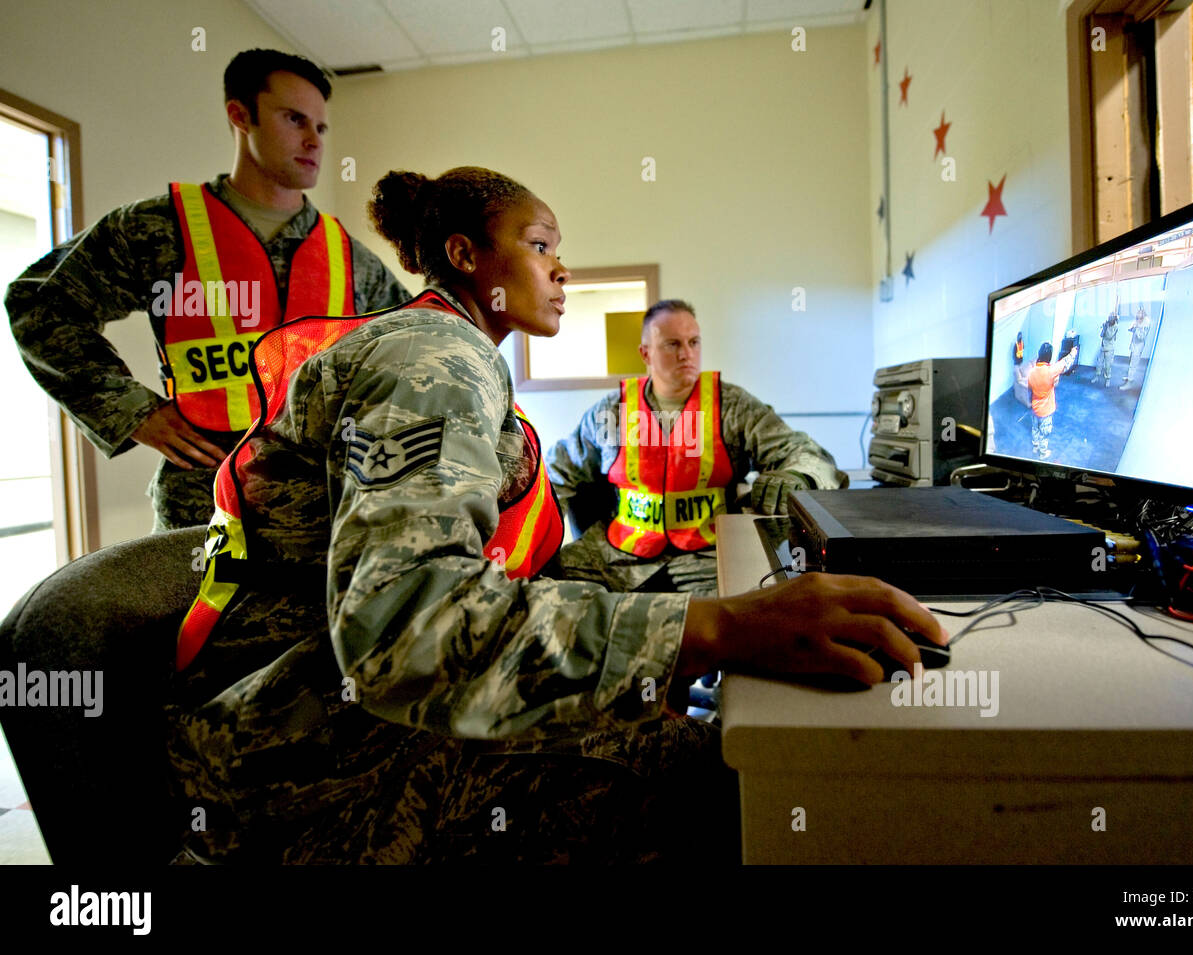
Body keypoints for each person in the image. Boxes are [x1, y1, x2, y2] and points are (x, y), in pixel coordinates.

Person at [167, 166, 945, 864]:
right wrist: (713, 630)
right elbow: (404, 626)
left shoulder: (463, 356)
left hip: (336, 715)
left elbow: (511, 553)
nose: (562, 268)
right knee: (727, 779)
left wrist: (643, 652)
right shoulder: (433, 359)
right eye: (540, 244)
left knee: (688, 725)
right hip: (310, 764)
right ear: (468, 256)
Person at [4, 49, 408, 530]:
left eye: (320, 128)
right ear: (240, 116)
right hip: (201, 513)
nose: (312, 140)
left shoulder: (348, 258)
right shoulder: (159, 229)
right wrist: (131, 410)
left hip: (321, 516)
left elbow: (414, 348)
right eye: (294, 119)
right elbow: (41, 302)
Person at [546, 300, 848, 595]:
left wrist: (797, 475)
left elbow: (806, 453)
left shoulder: (733, 406)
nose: (687, 354)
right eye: (673, 344)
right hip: (616, 557)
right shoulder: (611, 411)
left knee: (756, 612)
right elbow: (554, 475)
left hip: (710, 556)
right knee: (544, 593)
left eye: (694, 342)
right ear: (645, 353)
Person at [1027, 340, 1076, 460]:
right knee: (1044, 433)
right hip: (1046, 410)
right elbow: (1065, 363)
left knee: (1035, 428)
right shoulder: (1050, 371)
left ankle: (1035, 446)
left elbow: (1030, 388)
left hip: (1034, 408)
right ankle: (1043, 453)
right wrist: (1073, 353)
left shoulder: (1031, 372)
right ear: (1049, 356)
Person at [1120, 305, 1151, 389]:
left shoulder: (1145, 324)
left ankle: (1129, 382)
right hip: (1134, 345)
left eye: (1138, 317)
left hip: (1138, 346)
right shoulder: (1138, 321)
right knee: (1131, 362)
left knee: (1133, 364)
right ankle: (1129, 377)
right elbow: (1131, 330)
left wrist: (1137, 327)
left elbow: (1141, 337)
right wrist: (1133, 327)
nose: (1137, 319)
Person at [1093, 312, 1119, 386]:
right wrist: (1104, 328)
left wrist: (1106, 328)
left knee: (1107, 365)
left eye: (1111, 317)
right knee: (1099, 363)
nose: (1109, 319)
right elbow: (1101, 335)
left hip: (1109, 348)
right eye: (1109, 317)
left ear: (1114, 319)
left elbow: (1109, 336)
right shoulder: (1106, 325)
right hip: (1103, 346)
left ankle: (1108, 379)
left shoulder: (1115, 326)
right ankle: (1097, 376)